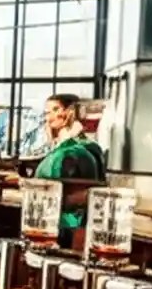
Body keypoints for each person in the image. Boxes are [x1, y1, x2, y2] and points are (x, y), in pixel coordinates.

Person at [33, 93, 105, 248]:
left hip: (68, 230)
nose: (50, 116)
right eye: (47, 112)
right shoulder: (61, 149)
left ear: (71, 112)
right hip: (49, 224)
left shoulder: (79, 151)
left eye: (56, 109)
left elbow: (83, 195)